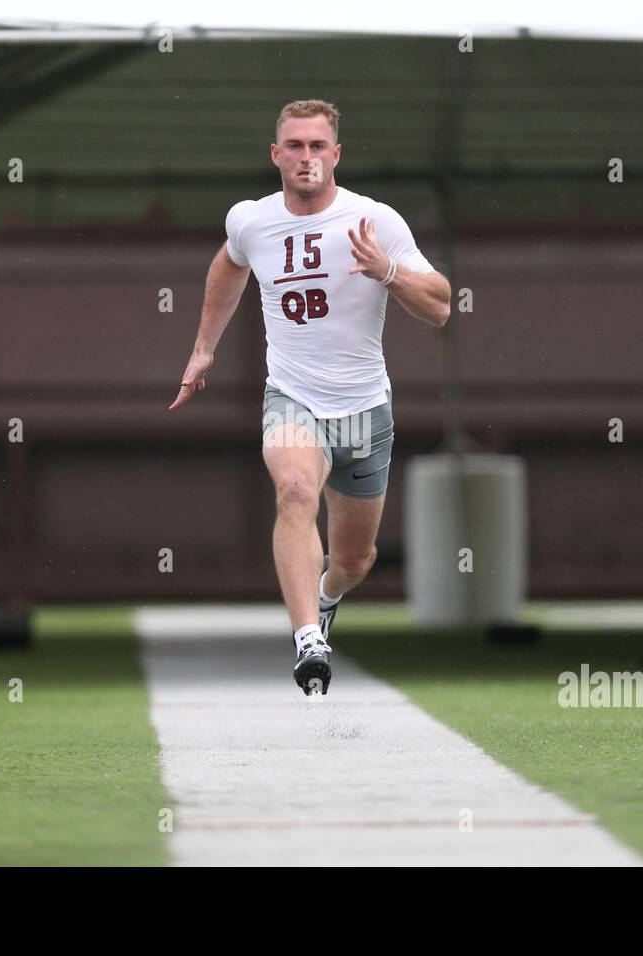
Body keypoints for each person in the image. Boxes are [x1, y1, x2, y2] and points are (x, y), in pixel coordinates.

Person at [170, 99, 451, 695]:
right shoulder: (252, 220)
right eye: (294, 146)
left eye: (318, 146)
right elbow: (228, 265)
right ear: (276, 155)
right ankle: (307, 640)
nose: (306, 157)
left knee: (355, 560)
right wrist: (203, 347)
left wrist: (387, 273)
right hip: (293, 398)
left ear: (336, 155)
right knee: (295, 490)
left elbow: (442, 305)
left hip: (364, 409)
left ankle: (325, 598)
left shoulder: (375, 221)